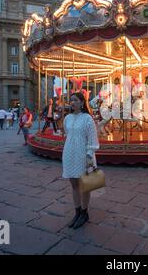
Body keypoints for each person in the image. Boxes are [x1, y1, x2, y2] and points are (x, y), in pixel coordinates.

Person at [63, 92, 99, 229]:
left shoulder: (87, 119)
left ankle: (84, 212)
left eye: (75, 100)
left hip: (84, 155)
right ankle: (77, 212)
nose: (72, 103)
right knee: (73, 184)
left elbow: (92, 139)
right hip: (69, 153)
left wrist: (90, 156)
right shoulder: (67, 118)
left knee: (85, 185)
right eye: (71, 100)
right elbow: (68, 134)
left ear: (82, 102)